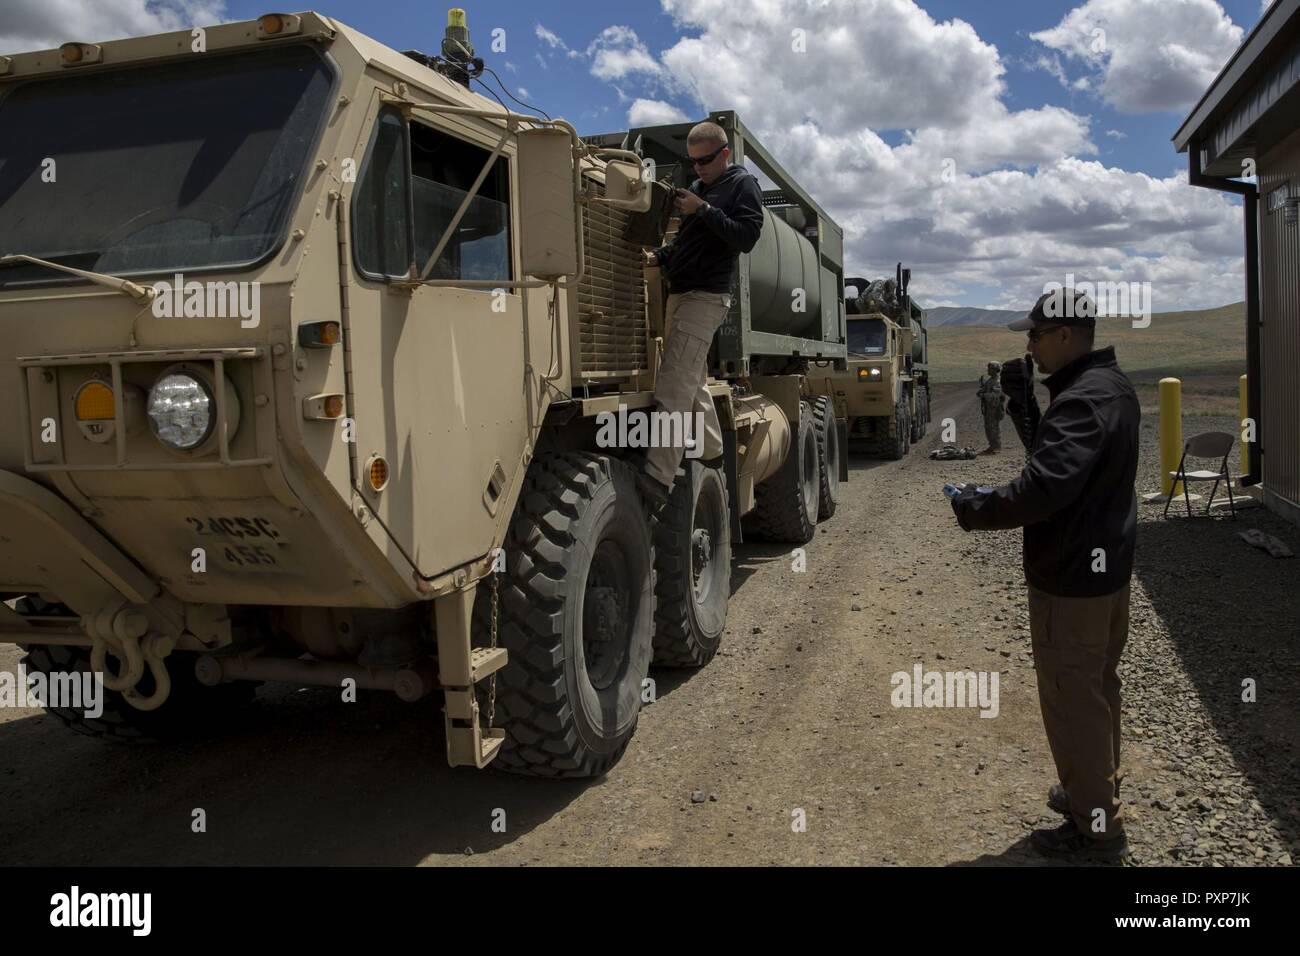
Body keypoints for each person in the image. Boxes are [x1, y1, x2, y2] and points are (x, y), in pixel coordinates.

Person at [949, 289, 1140, 861]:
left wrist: (975, 506)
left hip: (1072, 577)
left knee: (1070, 696)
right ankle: (1094, 790)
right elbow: (1063, 465)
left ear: (1063, 335)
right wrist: (1024, 406)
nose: (1028, 345)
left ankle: (1096, 832)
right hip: (1103, 572)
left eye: (1033, 335)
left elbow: (1046, 487)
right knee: (1097, 685)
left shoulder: (1084, 400)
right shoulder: (1109, 387)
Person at [637, 121, 764, 512]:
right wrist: (658, 258)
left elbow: (746, 238)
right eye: (693, 162)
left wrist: (704, 209)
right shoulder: (698, 190)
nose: (698, 169)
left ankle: (656, 479)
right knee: (689, 379)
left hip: (706, 297)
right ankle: (712, 450)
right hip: (680, 293)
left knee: (673, 384)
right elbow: (686, 245)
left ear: (724, 153)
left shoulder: (741, 186)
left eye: (705, 160)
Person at [976, 361, 1004, 454]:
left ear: (995, 370)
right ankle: (992, 446)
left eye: (990, 368)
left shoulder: (997, 381)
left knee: (994, 428)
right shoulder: (990, 380)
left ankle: (996, 447)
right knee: (988, 428)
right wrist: (981, 391)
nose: (988, 370)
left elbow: (995, 395)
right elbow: (986, 389)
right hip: (989, 408)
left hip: (994, 408)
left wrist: (984, 395)